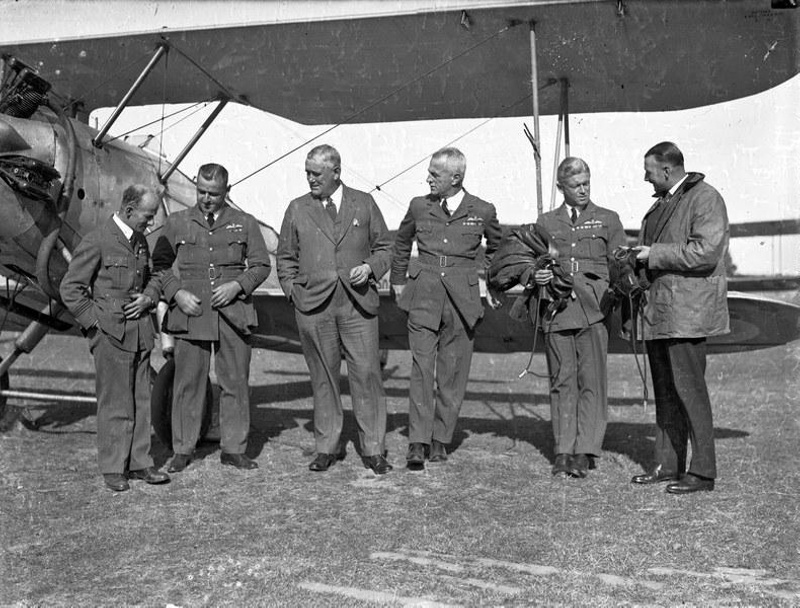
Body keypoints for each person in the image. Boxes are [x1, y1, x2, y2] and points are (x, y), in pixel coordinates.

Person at [276, 145, 393, 474]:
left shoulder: (364, 203)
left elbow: (386, 246)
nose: (310, 178)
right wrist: (292, 292)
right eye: (307, 172)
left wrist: (370, 268)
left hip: (358, 305)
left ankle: (373, 449)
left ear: (336, 173)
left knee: (367, 374)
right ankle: (326, 447)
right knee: (323, 378)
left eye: (316, 173)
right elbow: (285, 257)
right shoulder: (297, 208)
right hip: (314, 307)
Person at [152, 163, 271, 473]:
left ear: (226, 192)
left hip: (233, 313)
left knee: (235, 383)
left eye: (214, 194)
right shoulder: (178, 221)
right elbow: (160, 265)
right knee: (187, 383)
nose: (206, 198)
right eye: (201, 191)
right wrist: (176, 293)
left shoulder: (244, 223)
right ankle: (182, 449)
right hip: (191, 312)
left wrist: (238, 285)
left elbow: (260, 265)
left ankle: (234, 449)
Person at [391, 147, 503, 469]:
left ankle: (440, 439)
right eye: (429, 173)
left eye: (434, 175)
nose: (428, 179)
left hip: (462, 301)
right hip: (423, 295)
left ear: (455, 178)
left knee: (452, 373)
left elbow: (497, 247)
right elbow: (401, 242)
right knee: (421, 370)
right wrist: (399, 279)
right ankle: (417, 441)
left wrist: (491, 280)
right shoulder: (418, 206)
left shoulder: (482, 209)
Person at [631, 142, 729, 494]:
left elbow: (705, 252)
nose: (645, 178)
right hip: (660, 314)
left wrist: (653, 253)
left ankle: (702, 472)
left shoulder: (705, 198)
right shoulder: (662, 205)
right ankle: (667, 464)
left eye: (649, 172)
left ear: (668, 171)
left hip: (687, 316)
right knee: (666, 393)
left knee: (690, 392)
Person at [60, 184, 170, 492]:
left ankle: (140, 463)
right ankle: (113, 467)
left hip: (140, 334)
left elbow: (151, 279)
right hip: (110, 335)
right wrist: (94, 325)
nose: (150, 223)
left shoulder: (140, 242)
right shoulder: (97, 239)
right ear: (130, 210)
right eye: (147, 217)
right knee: (115, 403)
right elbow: (71, 288)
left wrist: (149, 297)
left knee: (141, 399)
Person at [531, 158, 625, 478]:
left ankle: (585, 450)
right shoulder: (545, 222)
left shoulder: (607, 220)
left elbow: (620, 266)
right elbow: (531, 262)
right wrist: (537, 274)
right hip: (557, 310)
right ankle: (562, 450)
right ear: (561, 187)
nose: (583, 189)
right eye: (576, 185)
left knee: (592, 381)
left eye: (587, 182)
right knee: (562, 380)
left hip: (594, 311)